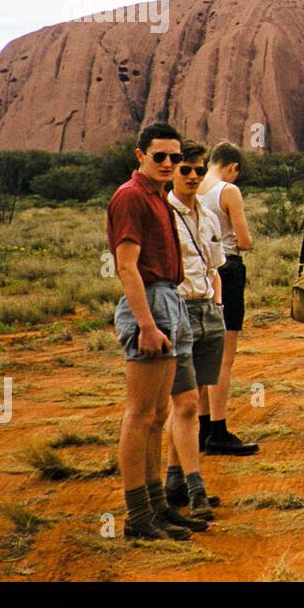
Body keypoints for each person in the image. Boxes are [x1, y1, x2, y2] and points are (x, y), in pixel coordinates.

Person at [107, 122, 196, 540]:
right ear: (140, 155)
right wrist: (145, 323)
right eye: (159, 156)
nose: (168, 164)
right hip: (151, 304)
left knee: (159, 414)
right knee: (140, 414)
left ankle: (157, 506)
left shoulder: (157, 197)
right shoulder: (130, 197)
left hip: (169, 301)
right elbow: (127, 266)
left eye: (174, 158)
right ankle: (137, 516)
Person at [163, 140, 224, 522]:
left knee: (193, 400)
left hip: (208, 312)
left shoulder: (209, 216)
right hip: (179, 312)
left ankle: (173, 481)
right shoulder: (163, 215)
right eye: (185, 169)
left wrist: (217, 304)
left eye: (199, 170)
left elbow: (216, 267)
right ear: (173, 171)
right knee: (185, 404)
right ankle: (196, 487)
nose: (192, 176)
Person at [197, 141, 258, 456]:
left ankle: (203, 427)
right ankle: (219, 431)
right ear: (233, 167)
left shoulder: (192, 188)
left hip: (201, 273)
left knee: (204, 354)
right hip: (229, 270)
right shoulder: (228, 191)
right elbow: (244, 240)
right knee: (224, 357)